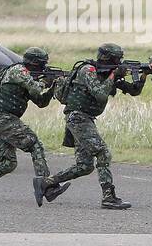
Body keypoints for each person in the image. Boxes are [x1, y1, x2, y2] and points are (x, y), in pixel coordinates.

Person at [36, 43, 145, 210]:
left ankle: (46, 183)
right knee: (103, 153)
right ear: (108, 58)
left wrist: (143, 75)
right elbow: (100, 94)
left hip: (84, 119)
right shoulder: (88, 70)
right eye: (117, 59)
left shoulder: (106, 73)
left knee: (85, 166)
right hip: (78, 118)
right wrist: (113, 75)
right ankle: (109, 197)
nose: (119, 62)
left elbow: (133, 91)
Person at [0, 47, 69, 206]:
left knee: (7, 164)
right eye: (42, 65)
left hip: (1, 121)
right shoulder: (18, 71)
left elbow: (41, 102)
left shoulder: (25, 77)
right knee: (35, 145)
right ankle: (47, 187)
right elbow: (37, 88)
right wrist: (45, 81)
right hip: (4, 119)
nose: (44, 68)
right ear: (34, 64)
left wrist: (52, 88)